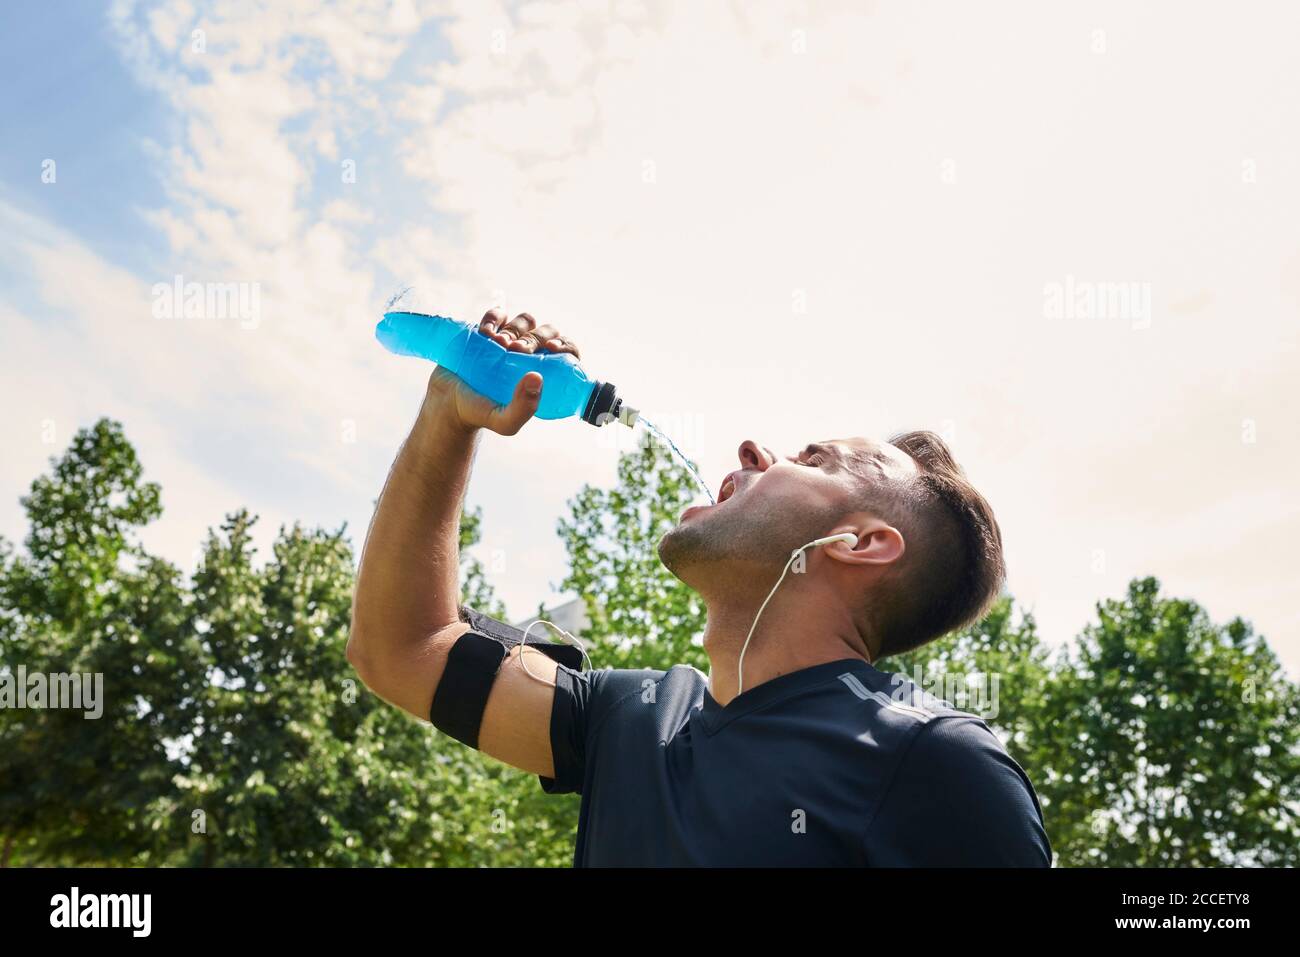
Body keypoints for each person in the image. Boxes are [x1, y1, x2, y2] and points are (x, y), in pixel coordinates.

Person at [347, 308, 1052, 867]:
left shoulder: (935, 763)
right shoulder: (629, 716)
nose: (753, 450)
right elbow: (404, 646)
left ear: (860, 543)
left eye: (816, 459)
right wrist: (447, 416)